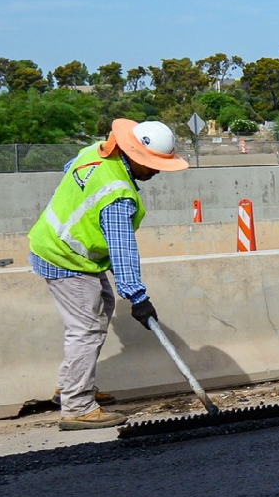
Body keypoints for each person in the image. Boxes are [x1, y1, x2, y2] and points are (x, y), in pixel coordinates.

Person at [28, 118, 189, 429]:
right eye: (151, 164)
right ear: (134, 155)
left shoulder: (95, 152)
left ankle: (73, 386)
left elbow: (68, 168)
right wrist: (138, 298)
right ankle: (76, 406)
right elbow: (122, 250)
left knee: (100, 310)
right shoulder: (117, 196)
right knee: (86, 328)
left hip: (61, 246)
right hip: (65, 258)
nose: (155, 171)